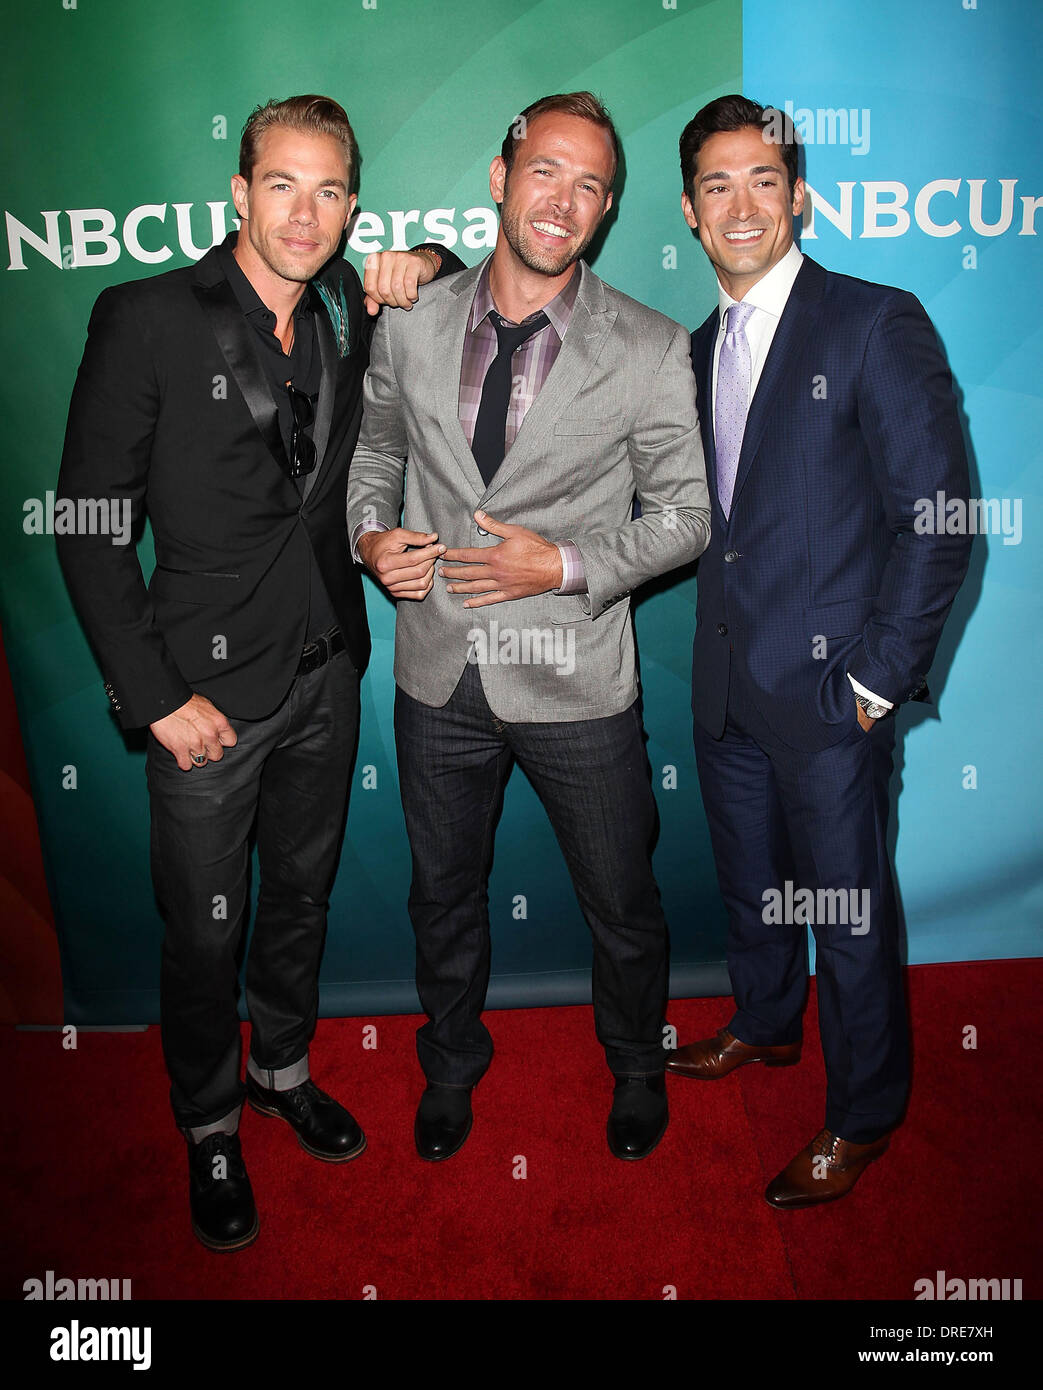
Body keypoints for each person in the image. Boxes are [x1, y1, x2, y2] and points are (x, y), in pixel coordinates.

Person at [56, 94, 462, 1251]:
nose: (306, 211)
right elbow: (86, 524)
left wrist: (426, 255)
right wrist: (154, 698)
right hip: (201, 703)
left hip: (326, 671)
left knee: (298, 894)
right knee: (200, 932)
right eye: (281, 184)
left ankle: (280, 1065)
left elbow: (474, 275)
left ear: (350, 204)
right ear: (237, 194)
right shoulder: (144, 316)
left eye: (331, 190)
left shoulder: (345, 300)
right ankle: (208, 1122)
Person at [347, 91, 710, 1164]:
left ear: (604, 211)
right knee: (441, 895)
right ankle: (450, 1063)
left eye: (590, 185)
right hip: (436, 673)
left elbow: (686, 517)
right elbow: (371, 454)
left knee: (623, 900)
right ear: (501, 179)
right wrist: (370, 538)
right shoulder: (408, 318)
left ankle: (637, 1061)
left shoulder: (647, 346)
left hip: (578, 682)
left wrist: (561, 564)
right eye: (545, 171)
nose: (565, 199)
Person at [667, 95, 972, 1206]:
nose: (739, 204)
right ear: (688, 210)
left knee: (843, 914)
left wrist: (875, 678)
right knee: (754, 891)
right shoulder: (692, 350)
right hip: (725, 687)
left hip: (833, 694)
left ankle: (861, 1114)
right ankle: (761, 1023)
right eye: (714, 184)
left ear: (798, 194)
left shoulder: (871, 321)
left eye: (761, 180)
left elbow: (937, 514)